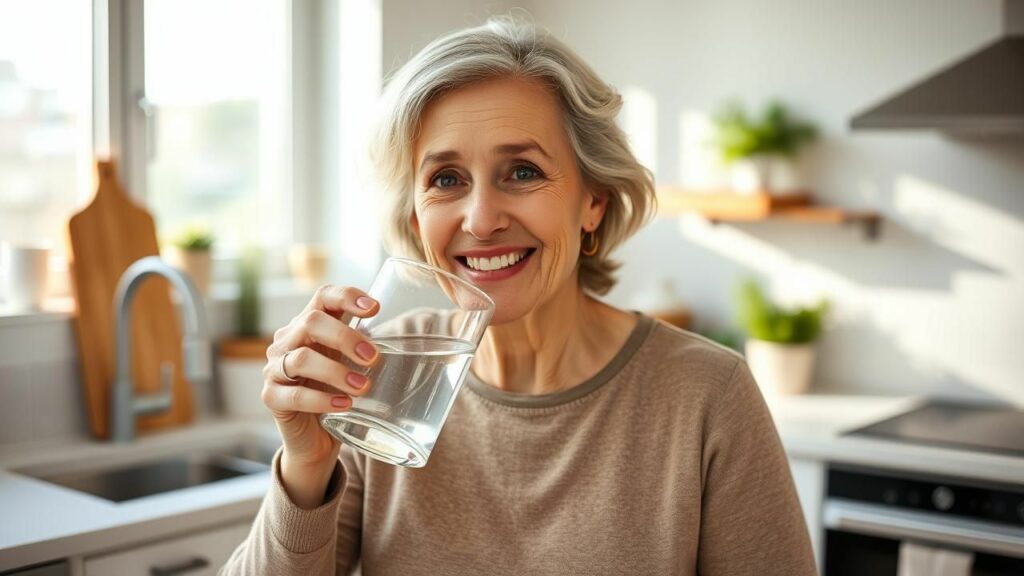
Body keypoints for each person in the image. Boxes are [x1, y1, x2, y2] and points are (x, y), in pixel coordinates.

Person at [221, 16, 816, 576]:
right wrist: (305, 463)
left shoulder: (707, 396)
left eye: (523, 172)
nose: (480, 220)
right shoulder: (379, 371)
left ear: (593, 200)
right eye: (446, 179)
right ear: (414, 211)